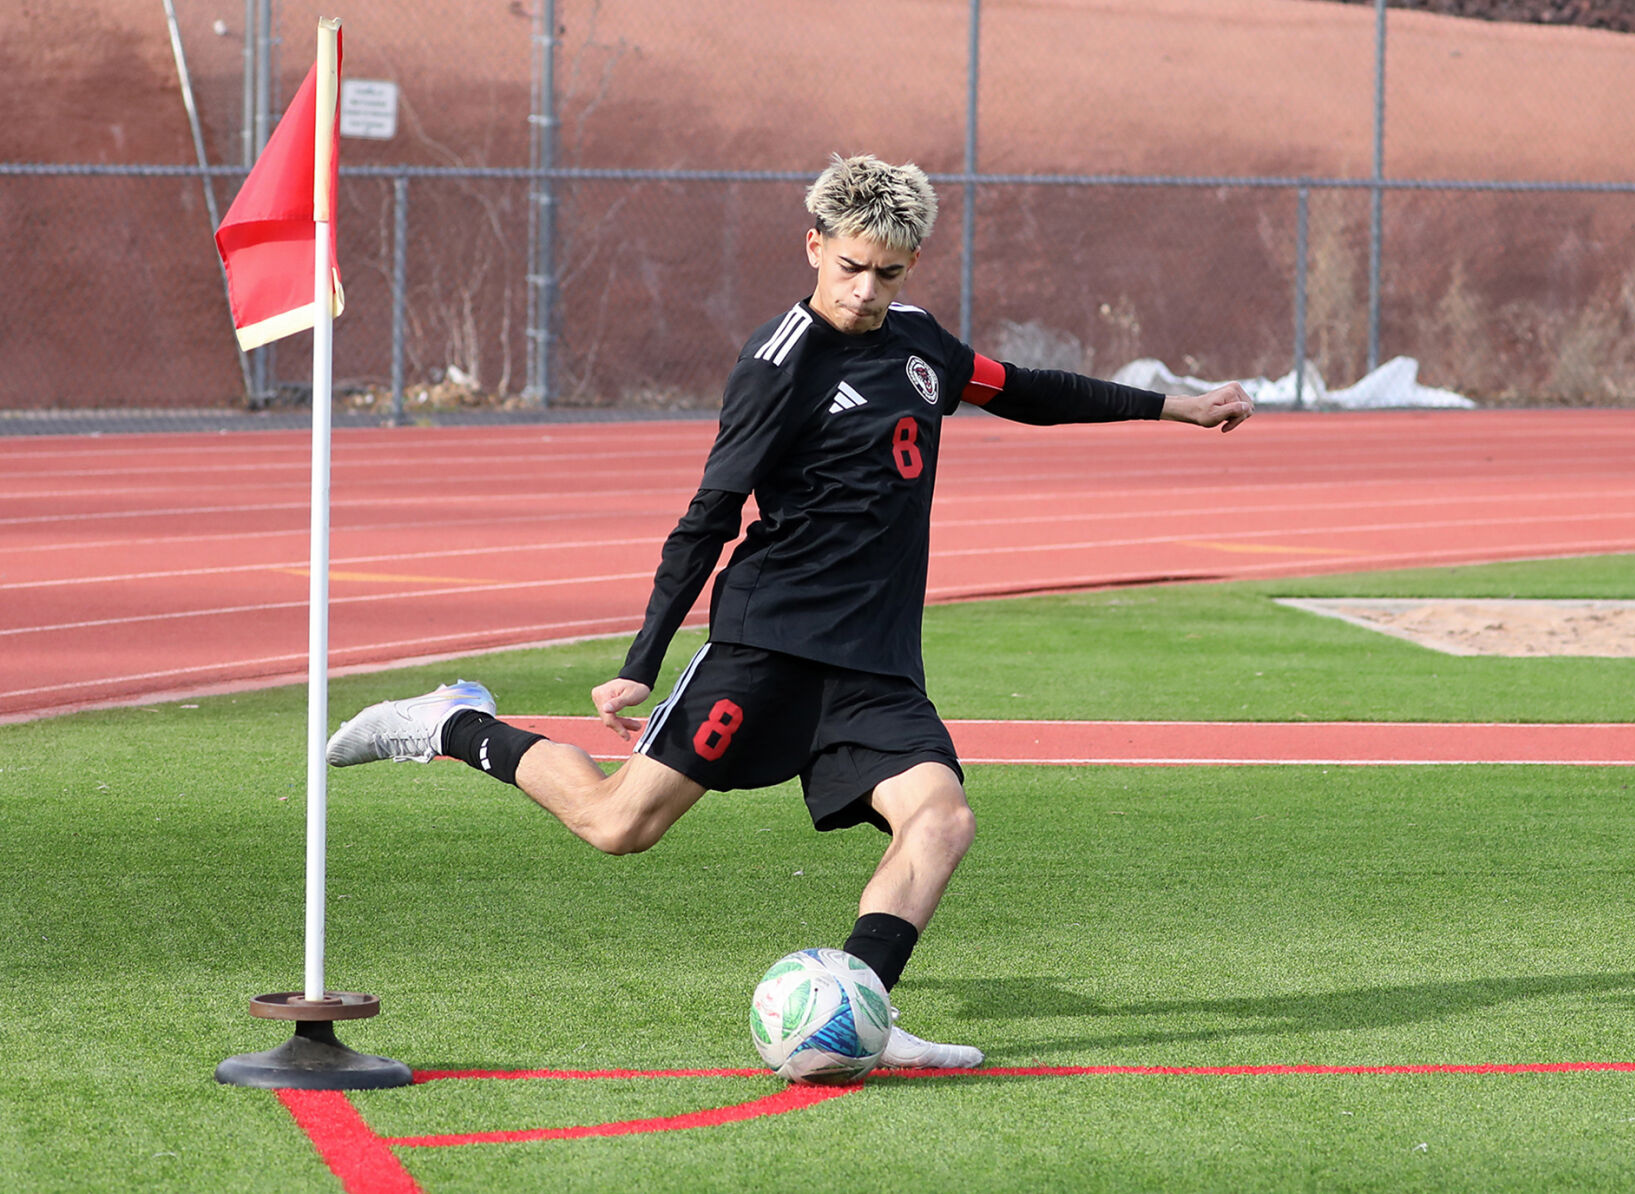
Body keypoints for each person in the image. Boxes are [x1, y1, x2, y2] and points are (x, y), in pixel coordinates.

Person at [327, 153, 1253, 1069]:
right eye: (849, 267)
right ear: (815, 246)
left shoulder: (922, 340)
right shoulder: (778, 365)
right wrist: (641, 660)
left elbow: (1027, 392)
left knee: (943, 820)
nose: (864, 290)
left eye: (887, 273)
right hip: (766, 641)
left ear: (910, 266)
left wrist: (1176, 406)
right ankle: (453, 722)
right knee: (618, 827)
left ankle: (862, 1010)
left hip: (877, 661)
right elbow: (708, 518)